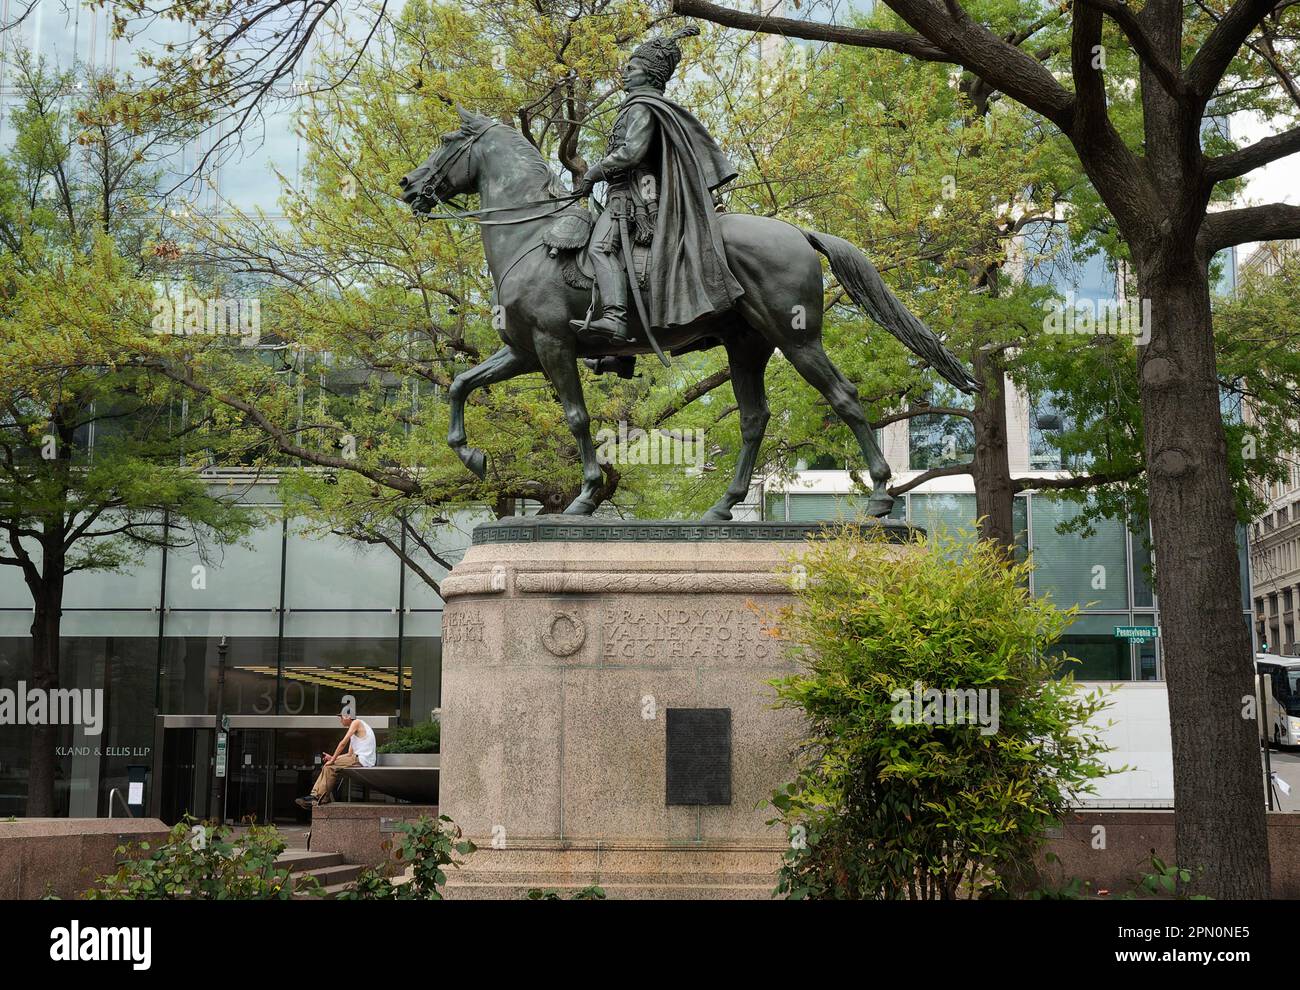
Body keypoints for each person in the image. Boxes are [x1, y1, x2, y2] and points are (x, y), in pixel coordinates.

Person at [570, 22, 743, 344]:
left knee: (600, 248)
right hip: (630, 193)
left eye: (632, 68)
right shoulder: (640, 106)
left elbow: (631, 153)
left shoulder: (641, 107)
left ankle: (615, 318)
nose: (624, 73)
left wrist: (593, 173)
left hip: (636, 198)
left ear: (649, 74)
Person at [295, 712, 377, 810]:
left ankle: (320, 798)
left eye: (341, 718)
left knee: (330, 767)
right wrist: (333, 758)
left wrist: (333, 759)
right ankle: (315, 795)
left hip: (362, 759)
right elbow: (349, 754)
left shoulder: (356, 722)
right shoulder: (356, 729)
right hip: (358, 758)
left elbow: (342, 743)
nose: (340, 721)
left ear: (348, 717)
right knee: (328, 765)